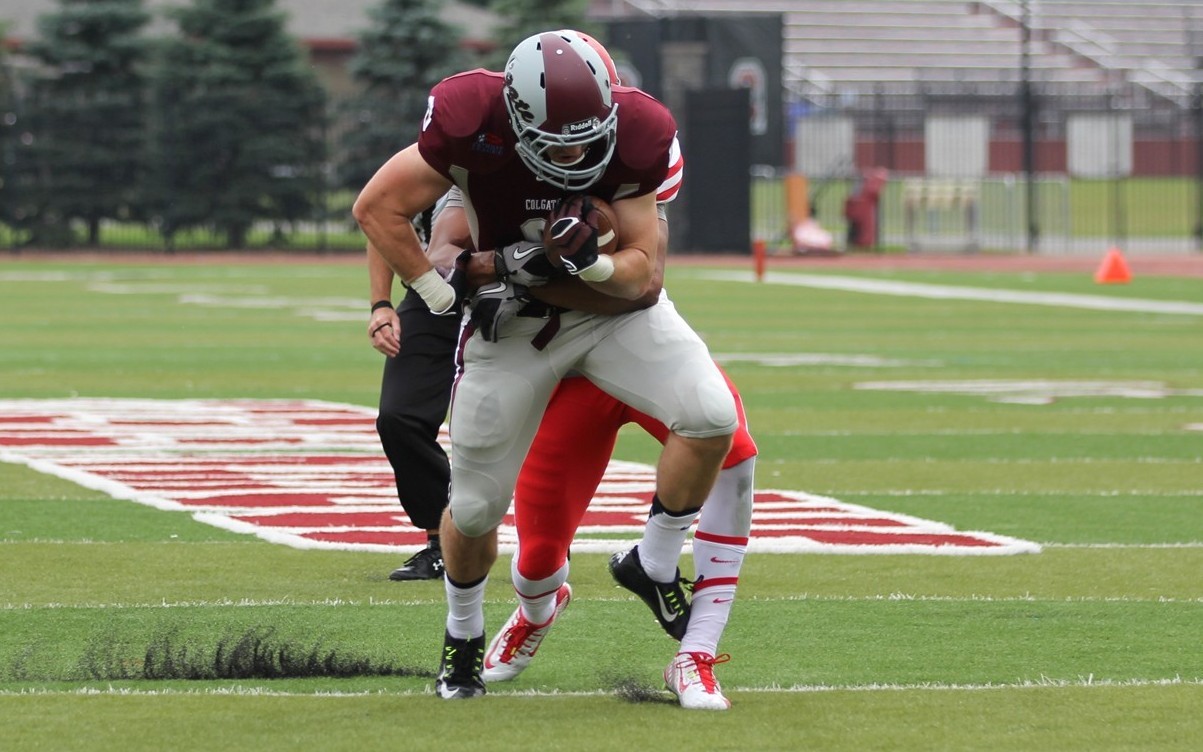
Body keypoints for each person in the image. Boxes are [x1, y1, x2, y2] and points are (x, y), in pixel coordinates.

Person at [353, 30, 737, 706]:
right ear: (515, 118)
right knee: (475, 509)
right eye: (556, 144)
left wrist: (589, 260)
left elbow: (643, 278)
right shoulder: (471, 124)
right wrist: (442, 293)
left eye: (586, 140)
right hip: (516, 329)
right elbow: (379, 208)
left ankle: (653, 559)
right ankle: (462, 637)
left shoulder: (640, 130)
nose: (573, 155)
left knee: (711, 416)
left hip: (614, 317)